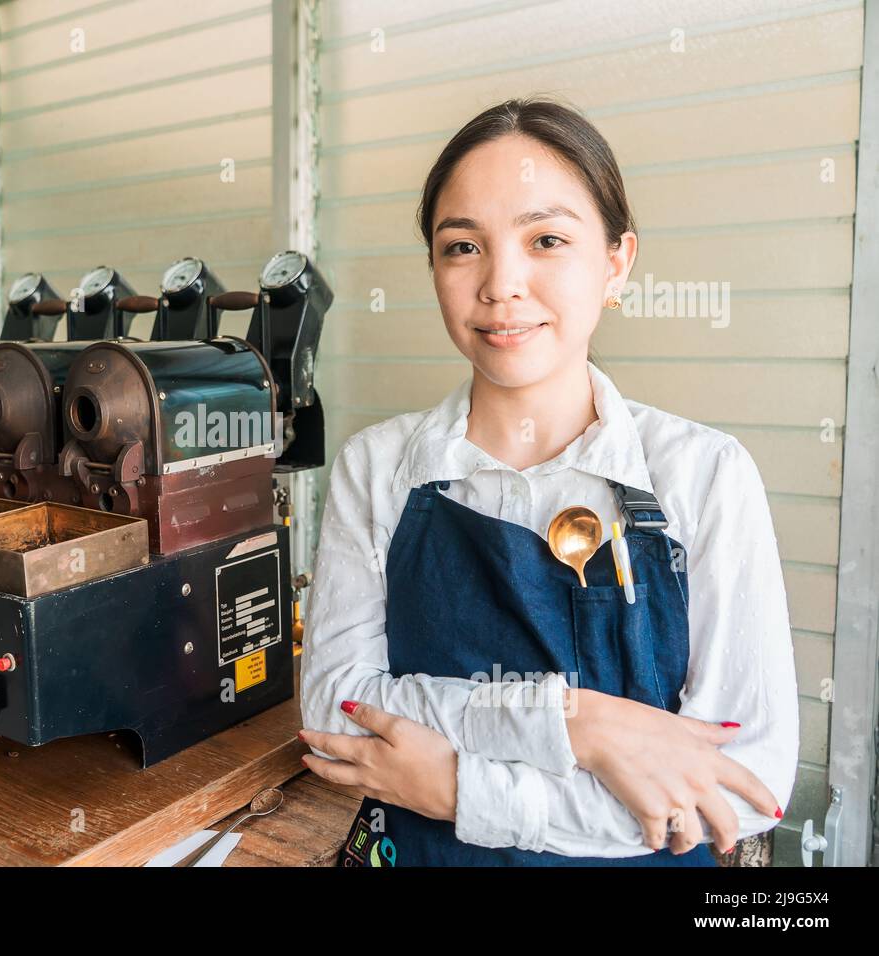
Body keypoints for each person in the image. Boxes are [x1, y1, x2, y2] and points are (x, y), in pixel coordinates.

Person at [298, 97, 799, 867]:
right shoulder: (377, 469)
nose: (502, 283)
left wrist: (461, 789)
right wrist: (579, 724)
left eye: (547, 239)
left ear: (616, 262)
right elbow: (340, 712)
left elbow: (743, 785)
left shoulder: (703, 476)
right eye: (463, 246)